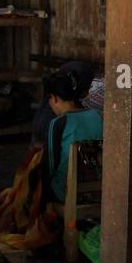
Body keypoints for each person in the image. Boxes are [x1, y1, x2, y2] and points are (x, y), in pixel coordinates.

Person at [44, 69, 104, 205]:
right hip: (98, 189)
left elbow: (50, 165)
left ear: (54, 98)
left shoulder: (58, 123)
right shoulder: (97, 116)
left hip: (66, 193)